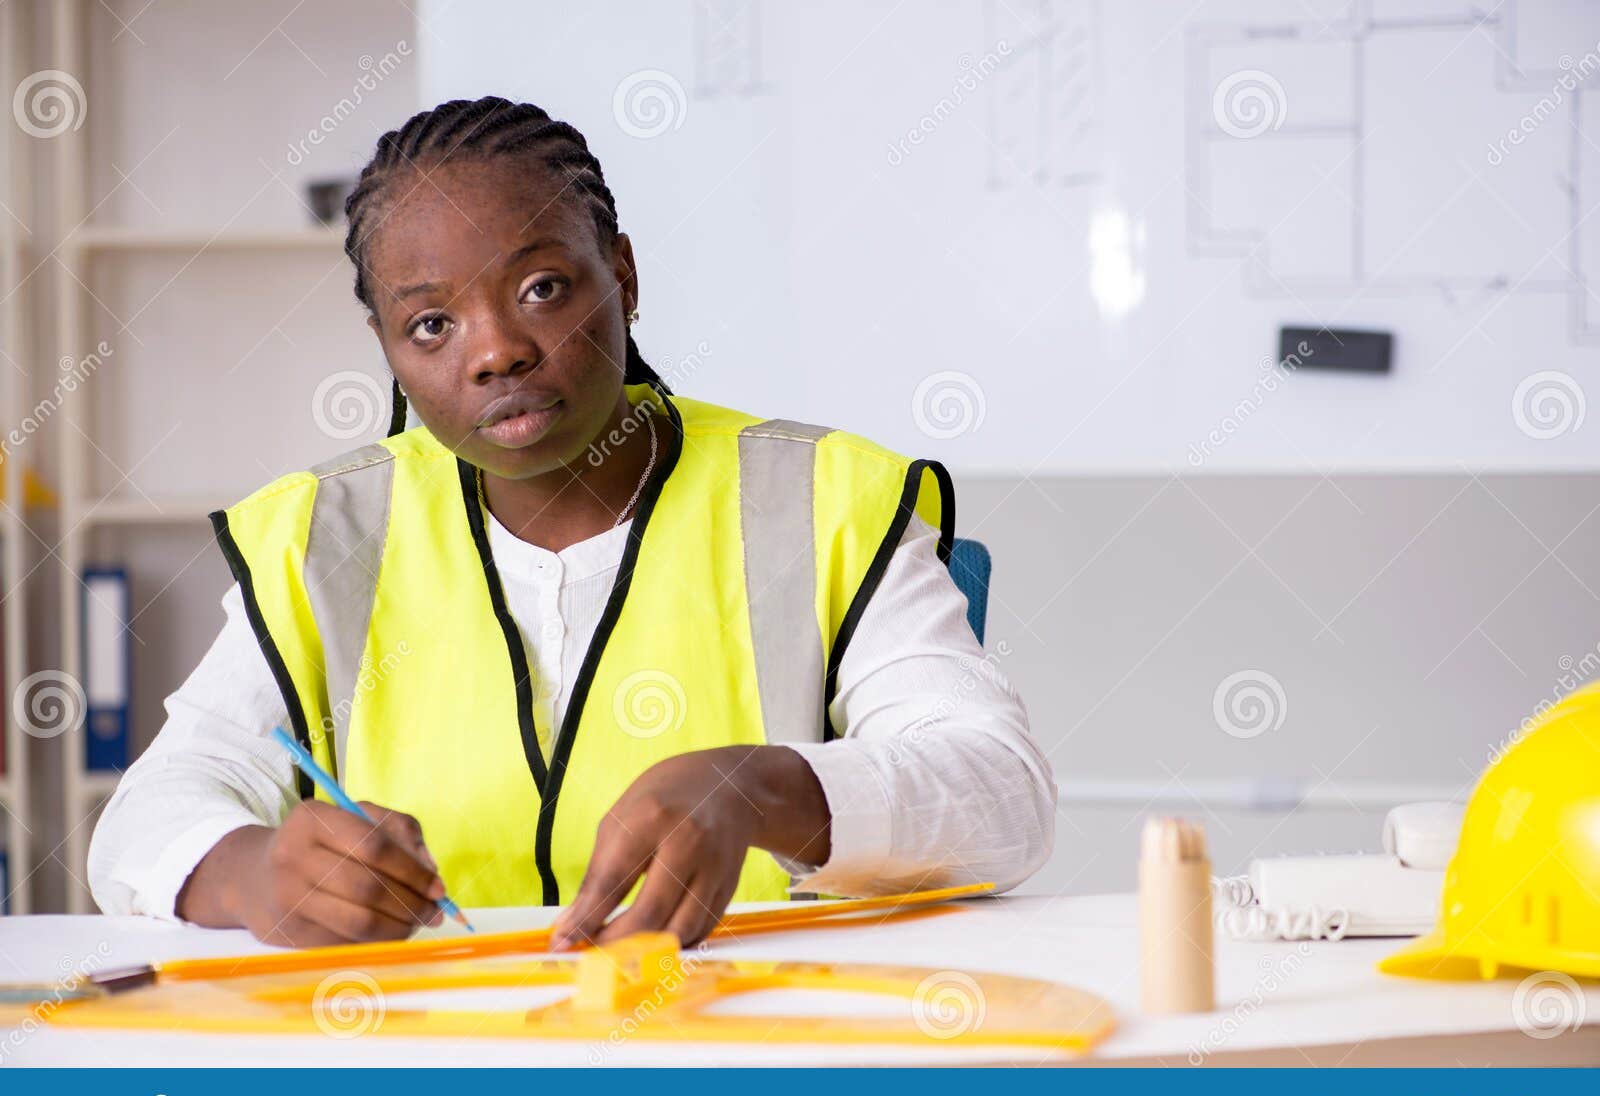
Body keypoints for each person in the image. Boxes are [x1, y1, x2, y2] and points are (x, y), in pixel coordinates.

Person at [88, 96, 1055, 949]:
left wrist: (764, 789)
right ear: (388, 349)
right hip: (429, 1054)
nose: (497, 352)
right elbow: (149, 813)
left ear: (621, 277)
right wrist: (254, 872)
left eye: (541, 288)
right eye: (431, 325)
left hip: (746, 1041)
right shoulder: (324, 536)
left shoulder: (822, 498)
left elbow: (1002, 794)